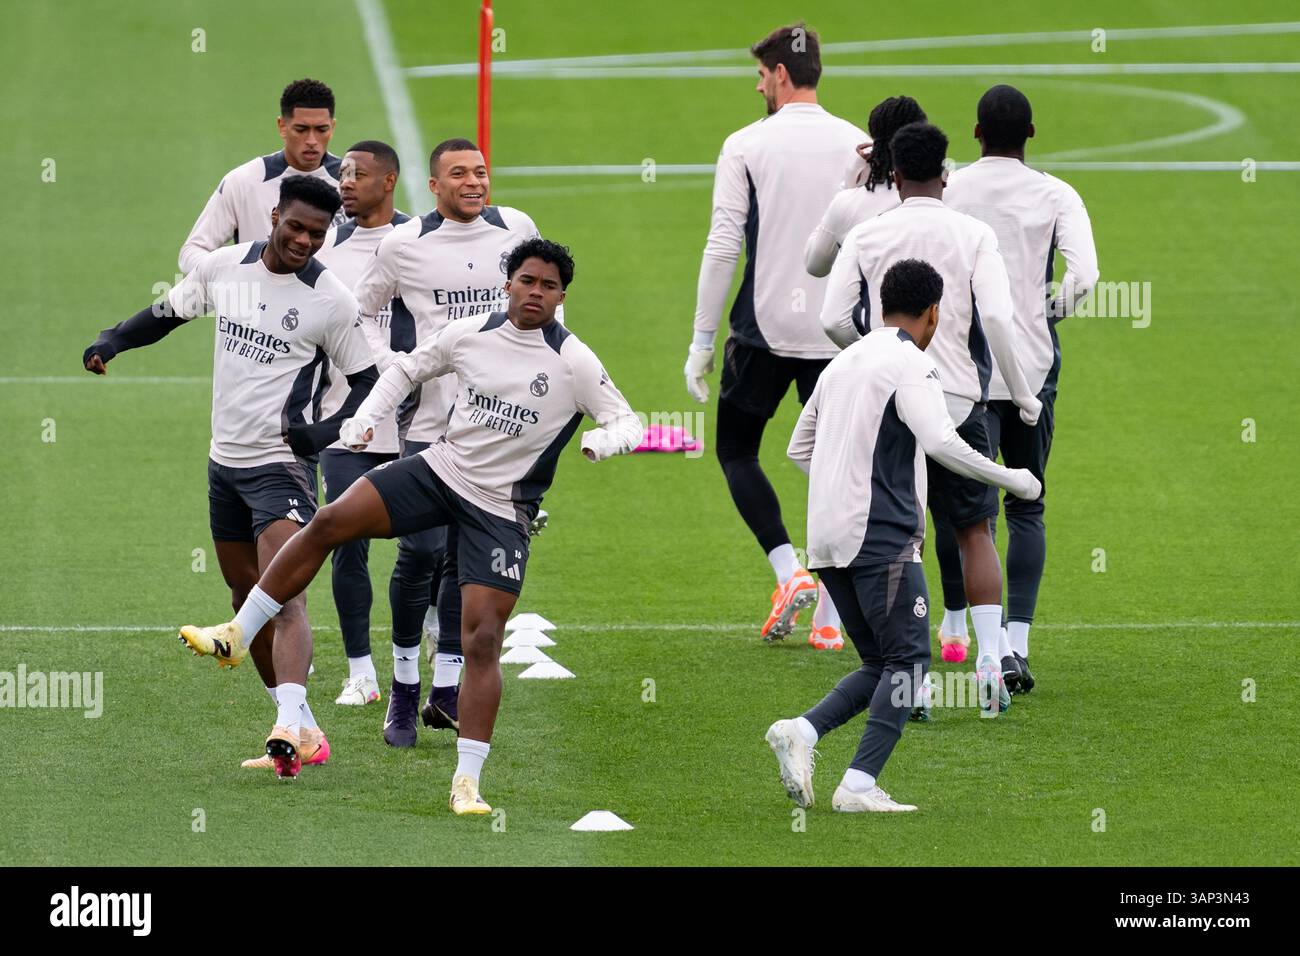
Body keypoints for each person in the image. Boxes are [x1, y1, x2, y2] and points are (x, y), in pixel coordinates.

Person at [179, 239, 643, 814]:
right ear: (509, 284)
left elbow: (629, 419)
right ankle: (240, 633)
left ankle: (467, 782)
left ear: (561, 296)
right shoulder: (472, 333)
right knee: (328, 520)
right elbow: (405, 369)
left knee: (482, 640)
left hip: (501, 510)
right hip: (440, 470)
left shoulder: (573, 361)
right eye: (527, 280)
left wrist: (604, 439)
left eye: (548, 286)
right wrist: (367, 421)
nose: (535, 293)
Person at [84, 176, 379, 778]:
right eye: (294, 227)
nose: (302, 241)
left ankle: (287, 725)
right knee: (246, 598)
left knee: (286, 594)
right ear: (273, 216)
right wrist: (112, 340)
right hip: (225, 464)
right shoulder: (226, 267)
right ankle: (302, 729)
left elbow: (371, 385)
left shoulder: (331, 299)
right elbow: (168, 313)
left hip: (280, 467)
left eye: (316, 235)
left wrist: (319, 437)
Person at [768, 259, 1042, 812]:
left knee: (881, 663)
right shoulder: (910, 363)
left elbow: (799, 449)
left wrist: (840, 485)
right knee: (912, 661)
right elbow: (941, 443)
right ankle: (859, 785)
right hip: (880, 535)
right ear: (934, 312)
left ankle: (802, 730)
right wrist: (1011, 477)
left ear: (880, 302)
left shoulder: (842, 363)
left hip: (825, 538)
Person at [820, 122, 1042, 714]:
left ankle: (910, 684)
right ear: (946, 172)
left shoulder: (868, 233)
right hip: (961, 400)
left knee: (904, 539)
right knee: (974, 530)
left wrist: (869, 355)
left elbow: (830, 317)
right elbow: (997, 318)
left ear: (892, 174)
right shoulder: (973, 233)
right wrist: (1021, 395)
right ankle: (991, 661)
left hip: (887, 406)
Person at [352, 137, 555, 745]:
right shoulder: (402, 245)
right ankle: (403, 689)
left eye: (482, 171)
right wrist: (393, 362)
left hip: (495, 433)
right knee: (418, 553)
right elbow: (360, 310)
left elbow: (545, 309)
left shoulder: (515, 228)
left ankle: (446, 688)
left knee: (460, 563)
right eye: (459, 173)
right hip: (430, 424)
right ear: (433, 186)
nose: (474, 181)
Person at [685, 22, 868, 650]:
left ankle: (788, 571)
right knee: (831, 463)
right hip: (838, 331)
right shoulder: (860, 145)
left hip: (761, 331)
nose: (758, 85)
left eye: (761, 75)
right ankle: (832, 617)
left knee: (738, 451)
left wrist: (701, 341)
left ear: (781, 76)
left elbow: (722, 246)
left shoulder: (745, 145)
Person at [938, 85, 1099, 693]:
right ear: (1032, 133)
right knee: (1027, 504)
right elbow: (1086, 274)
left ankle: (968, 634)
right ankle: (1017, 647)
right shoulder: (1056, 194)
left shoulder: (951, 185)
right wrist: (1050, 309)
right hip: (1031, 364)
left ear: (975, 132)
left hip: (964, 370)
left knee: (967, 516)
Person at [312, 140, 410, 709]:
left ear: (389, 181)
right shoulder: (327, 248)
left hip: (419, 415)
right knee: (344, 538)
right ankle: (361, 672)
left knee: (425, 549)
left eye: (358, 174)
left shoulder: (420, 240)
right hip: (345, 418)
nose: (345, 182)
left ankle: (431, 645)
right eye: (341, 173)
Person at [178, 78, 344, 274]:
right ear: (282, 126)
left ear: (332, 127)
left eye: (321, 129)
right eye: (301, 129)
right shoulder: (244, 181)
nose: (311, 141)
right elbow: (192, 252)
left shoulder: (353, 183)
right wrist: (236, 276)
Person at [803, 95, 926, 277]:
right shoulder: (945, 195)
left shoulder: (850, 203)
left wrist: (848, 186)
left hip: (872, 304)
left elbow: (815, 265)